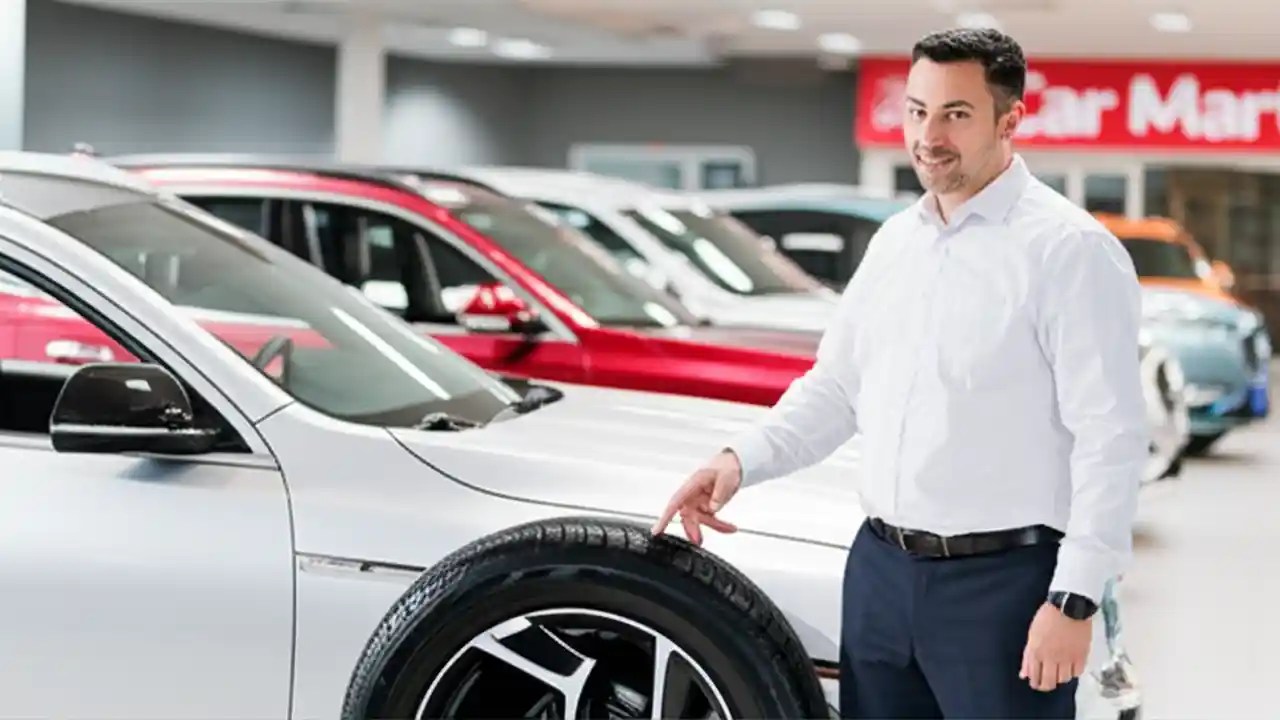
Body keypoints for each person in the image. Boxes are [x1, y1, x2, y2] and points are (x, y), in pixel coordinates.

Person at [651, 27, 1149, 720]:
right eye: (917, 110)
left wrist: (1074, 599)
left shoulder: (1069, 253)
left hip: (1004, 588)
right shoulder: (897, 242)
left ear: (1011, 119)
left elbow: (1112, 439)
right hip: (881, 573)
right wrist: (739, 462)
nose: (928, 134)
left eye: (956, 113)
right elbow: (837, 388)